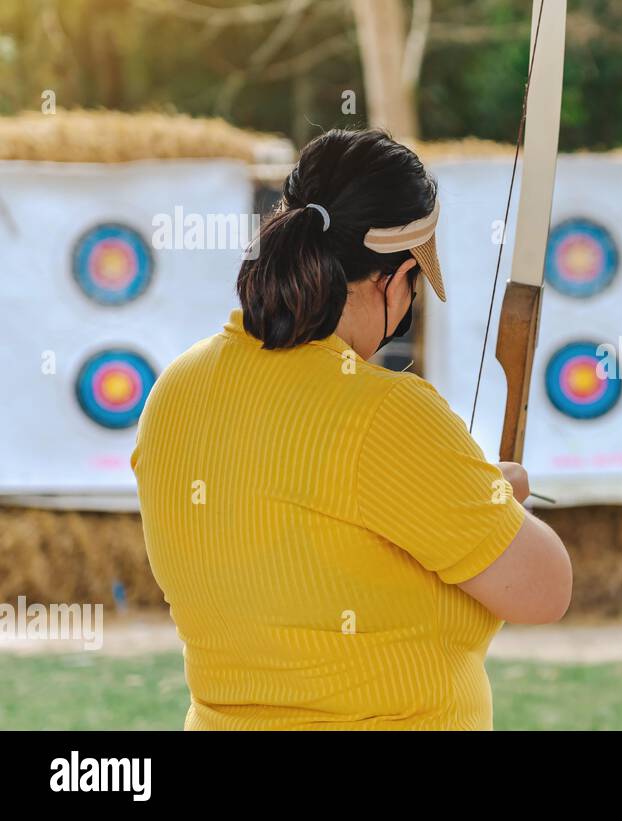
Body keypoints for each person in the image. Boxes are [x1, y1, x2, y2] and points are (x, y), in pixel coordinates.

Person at [131, 129, 571, 730]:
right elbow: (545, 589)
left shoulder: (175, 389)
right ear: (394, 279)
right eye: (414, 285)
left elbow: (302, 525)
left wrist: (455, 491)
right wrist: (492, 497)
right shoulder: (384, 412)